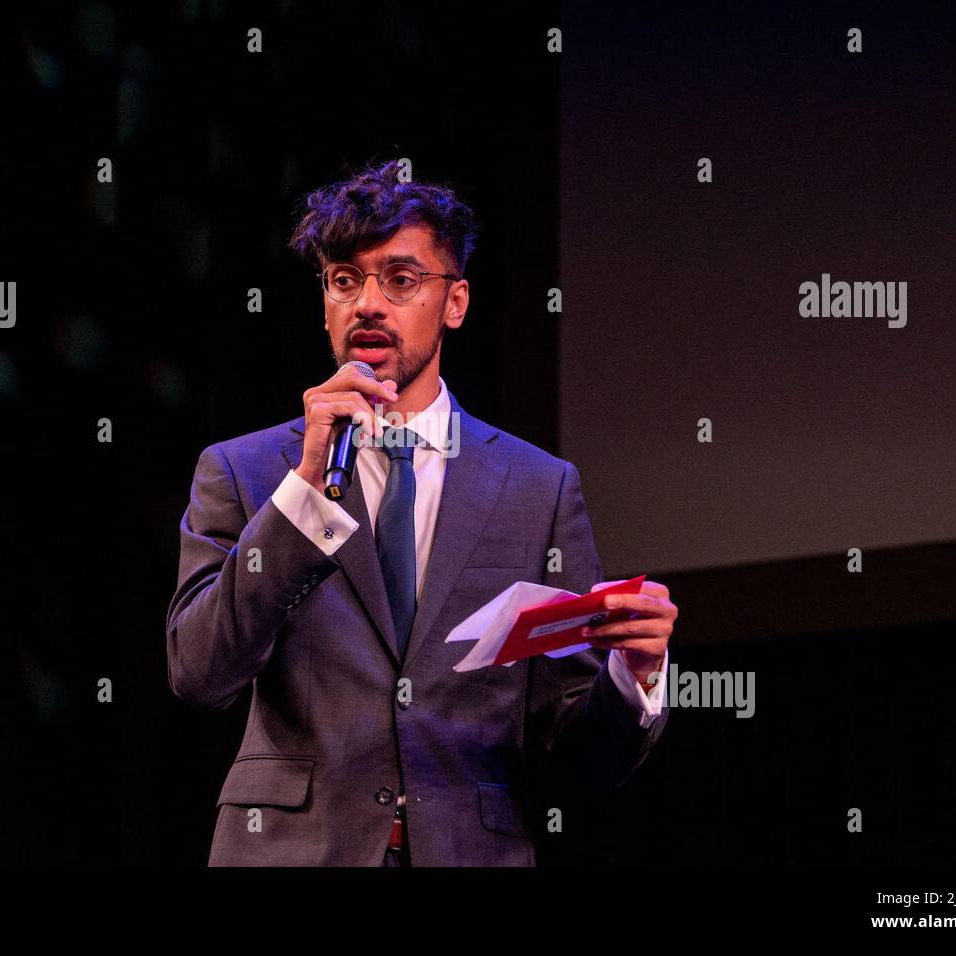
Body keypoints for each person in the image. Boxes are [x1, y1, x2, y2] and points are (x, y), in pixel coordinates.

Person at [165, 160, 677, 866]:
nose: (368, 303)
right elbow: (199, 672)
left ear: (455, 303)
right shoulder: (246, 472)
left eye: (401, 280)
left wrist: (635, 675)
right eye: (345, 280)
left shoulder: (538, 488)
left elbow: (578, 757)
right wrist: (304, 492)